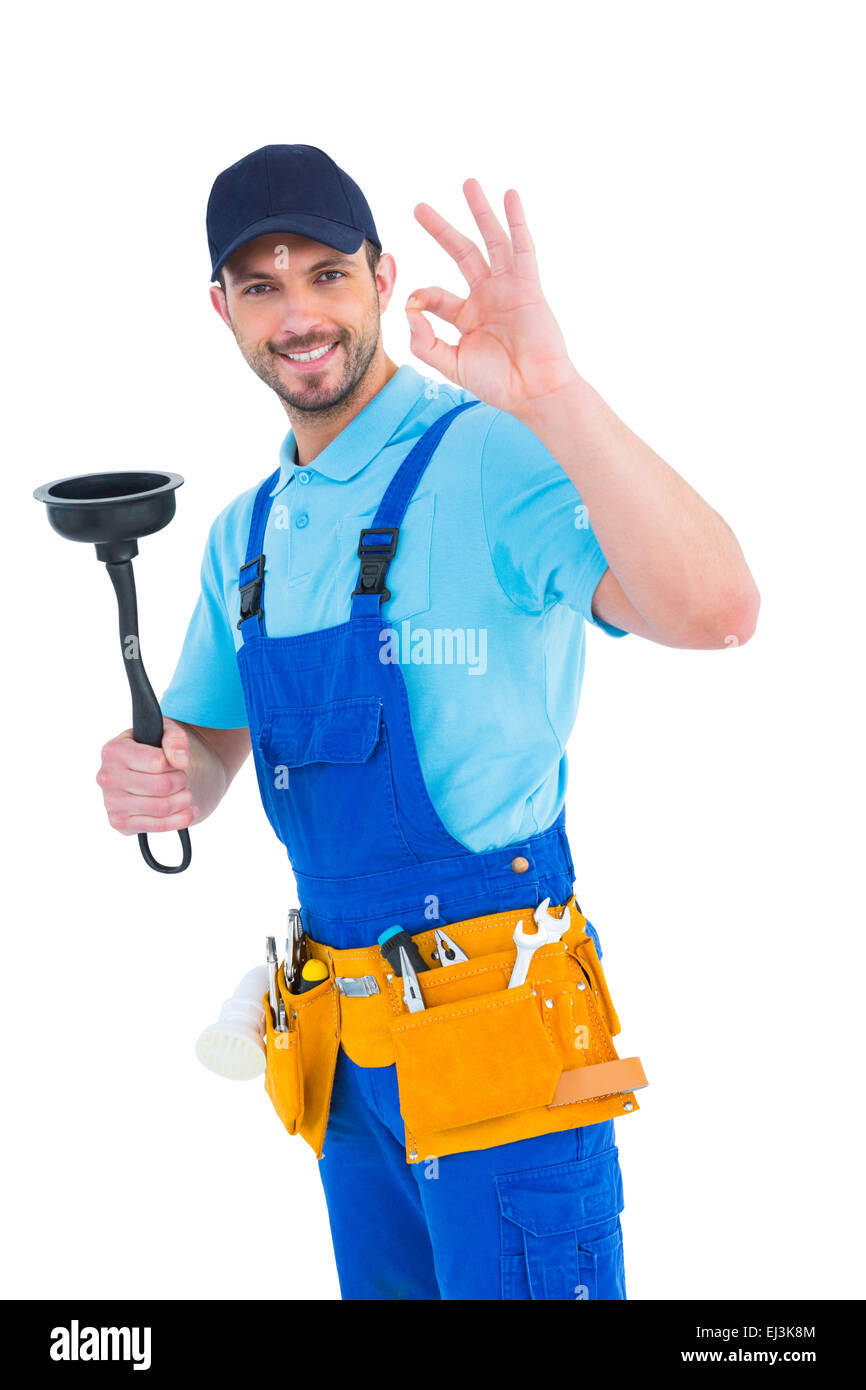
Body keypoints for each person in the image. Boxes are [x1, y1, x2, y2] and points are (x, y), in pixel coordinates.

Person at [96, 144, 759, 1300]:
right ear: (223, 311)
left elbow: (718, 613)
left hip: (500, 1033)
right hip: (347, 1055)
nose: (297, 313)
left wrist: (554, 393)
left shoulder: (491, 452)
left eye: (325, 274)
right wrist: (166, 778)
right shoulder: (242, 535)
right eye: (261, 285)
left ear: (383, 277)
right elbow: (206, 751)